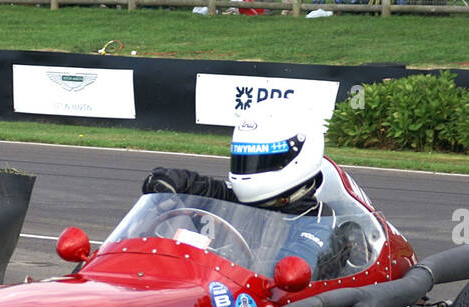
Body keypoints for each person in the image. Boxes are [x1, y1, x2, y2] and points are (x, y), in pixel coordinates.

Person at [141, 107, 347, 273]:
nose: (249, 170)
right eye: (244, 160)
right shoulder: (234, 198)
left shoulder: (318, 223)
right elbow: (197, 187)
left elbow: (285, 279)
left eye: (261, 160)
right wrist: (169, 181)